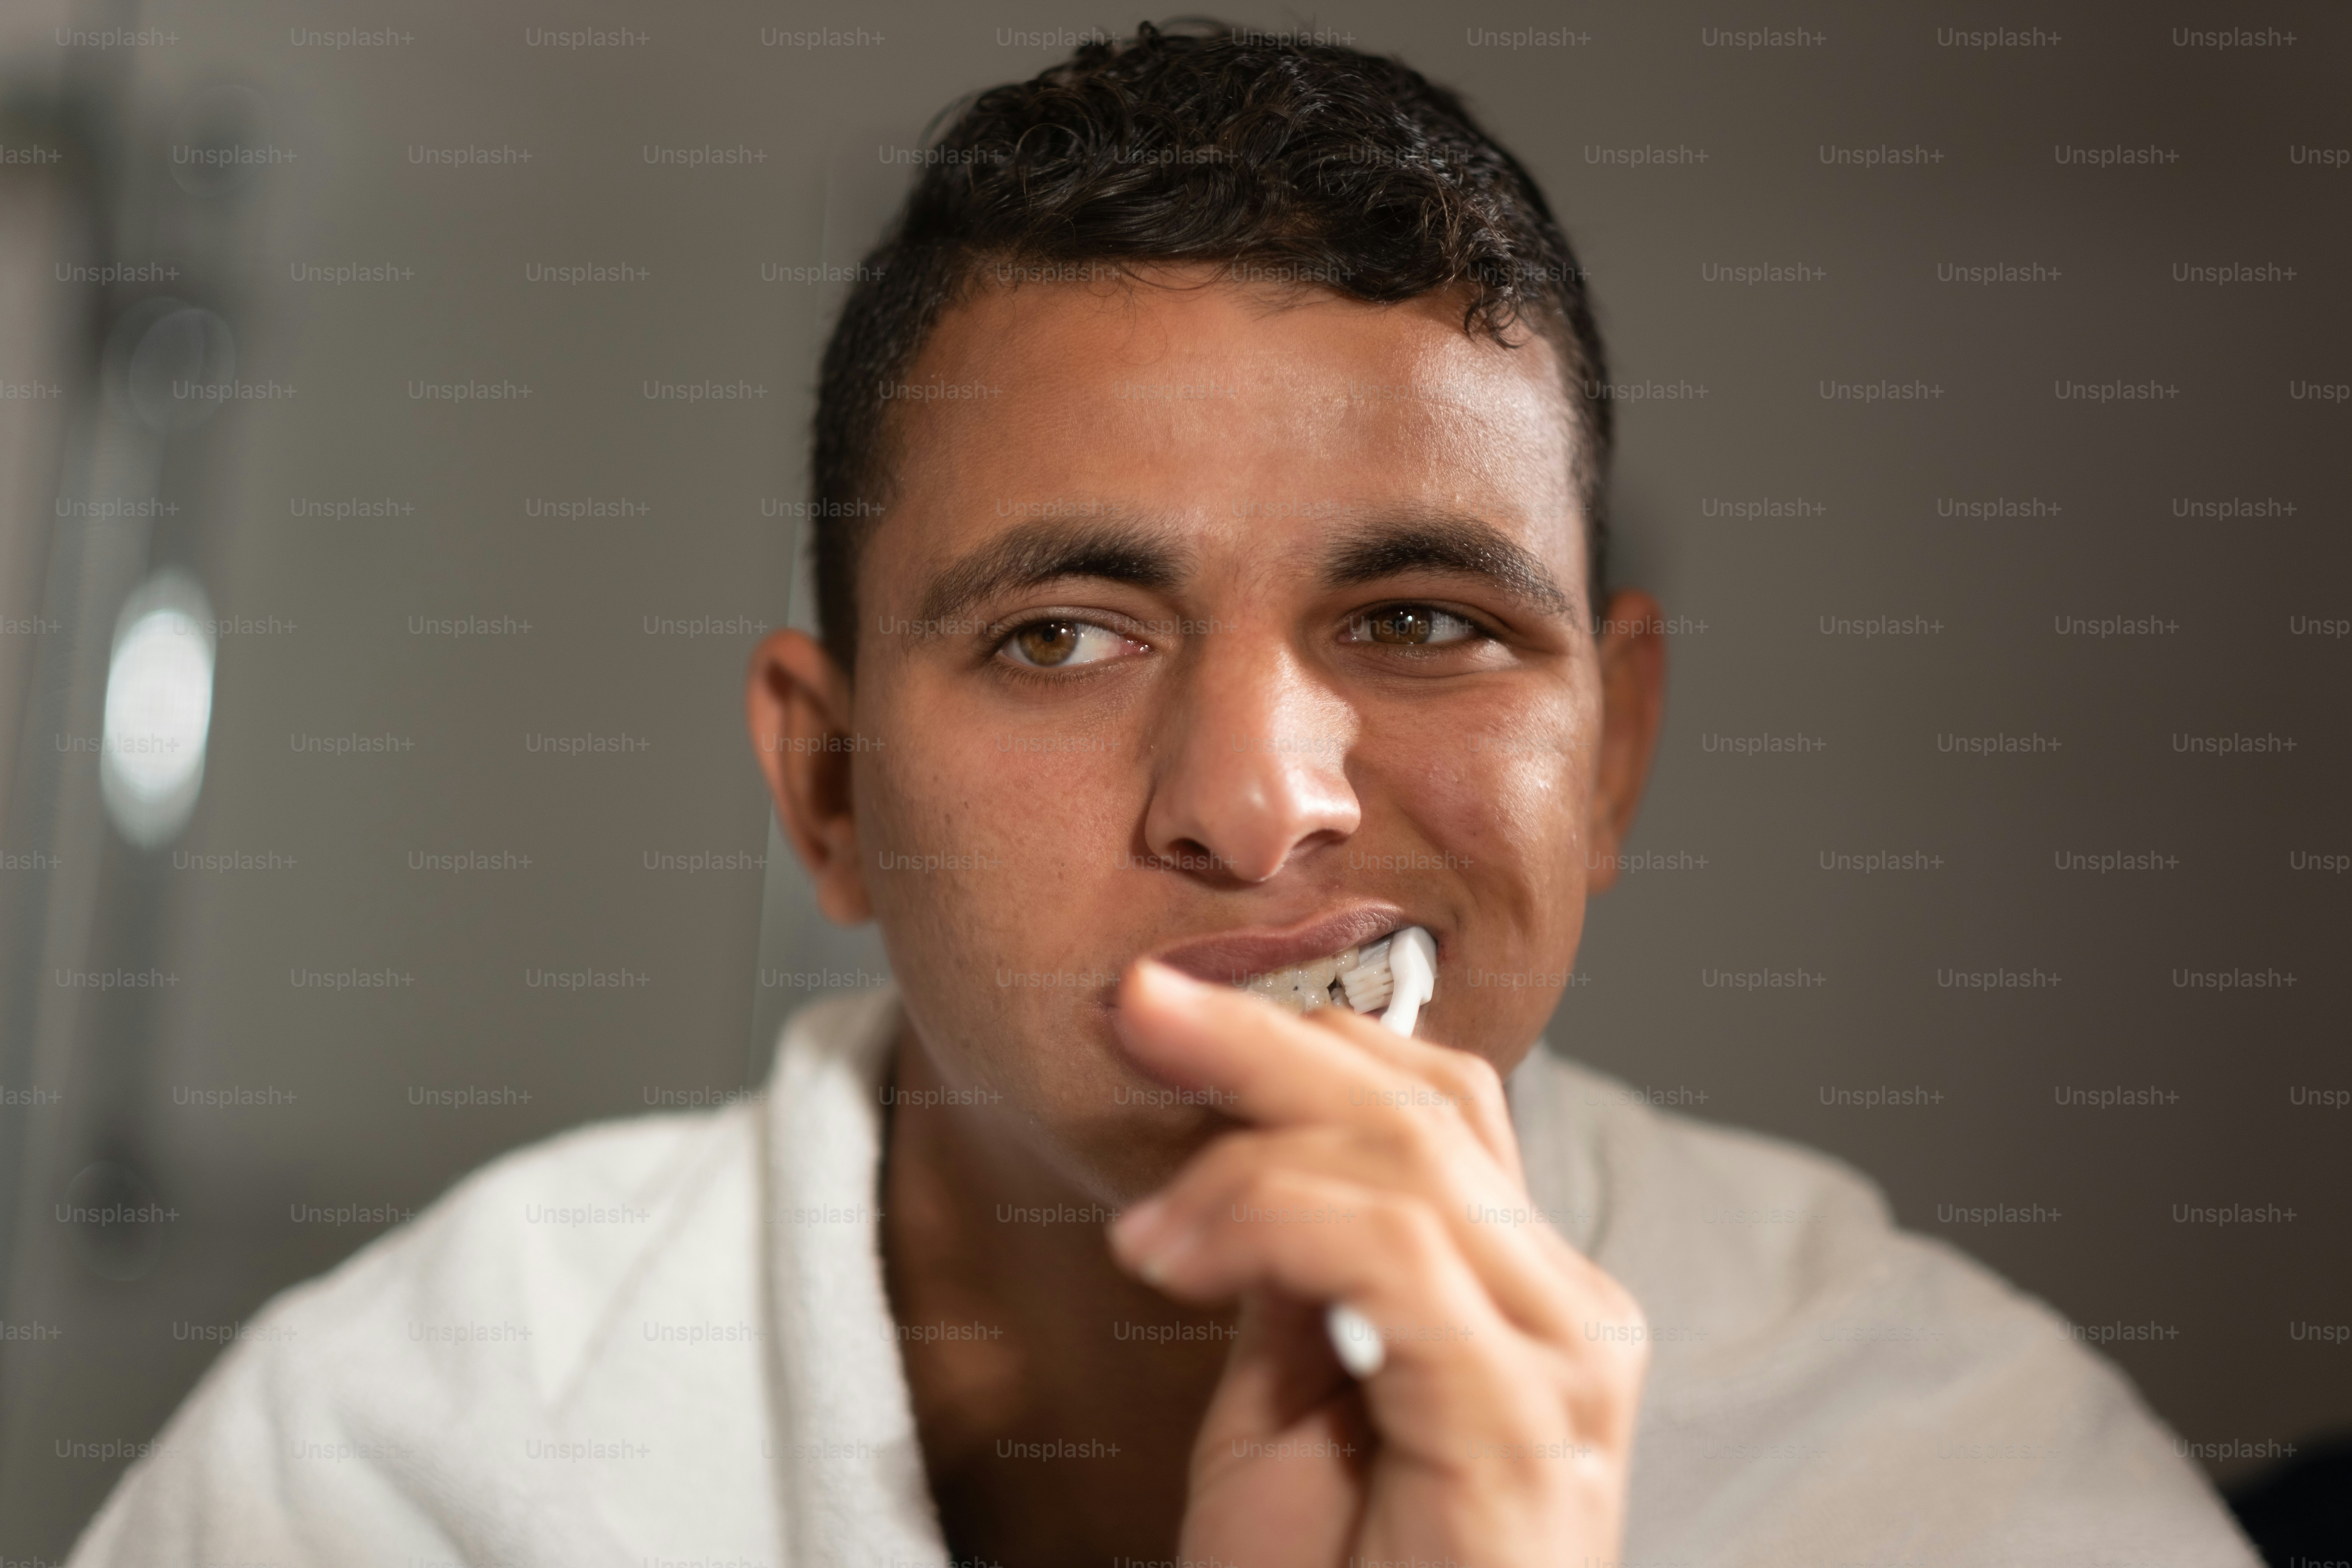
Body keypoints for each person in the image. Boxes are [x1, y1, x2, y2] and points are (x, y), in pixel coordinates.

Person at [70, 23, 2256, 1568]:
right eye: (1063, 635)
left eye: (1419, 620)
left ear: (1617, 756)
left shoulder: (1961, 1485)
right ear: (827, 790)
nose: (1260, 805)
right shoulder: (396, 1470)